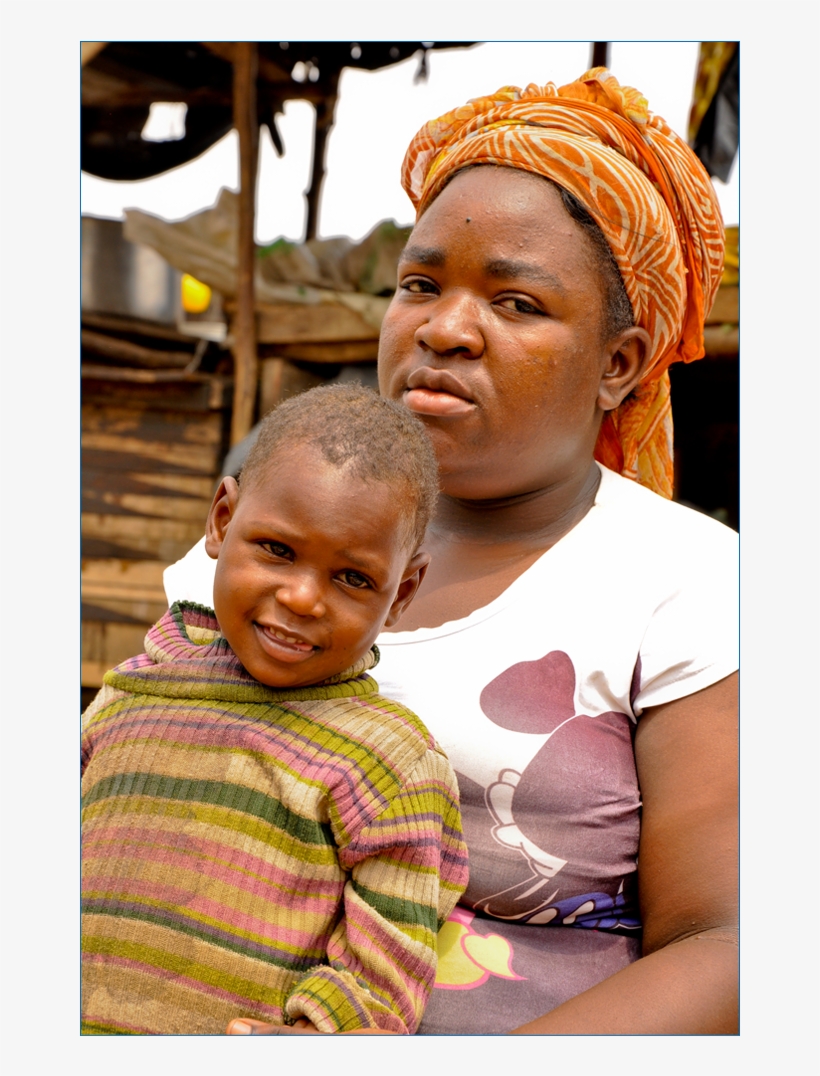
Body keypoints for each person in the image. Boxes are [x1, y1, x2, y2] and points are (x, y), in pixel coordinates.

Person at [166, 68, 738, 1036]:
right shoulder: (276, 536)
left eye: (515, 303)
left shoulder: (688, 582)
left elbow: (728, 943)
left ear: (619, 363)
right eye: (420, 285)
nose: (443, 328)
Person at [81, 384, 469, 1035]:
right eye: (277, 550)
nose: (302, 598)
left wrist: (316, 1036)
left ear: (402, 593)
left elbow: (391, 959)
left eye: (352, 578)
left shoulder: (389, 762)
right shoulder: (131, 694)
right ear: (221, 521)